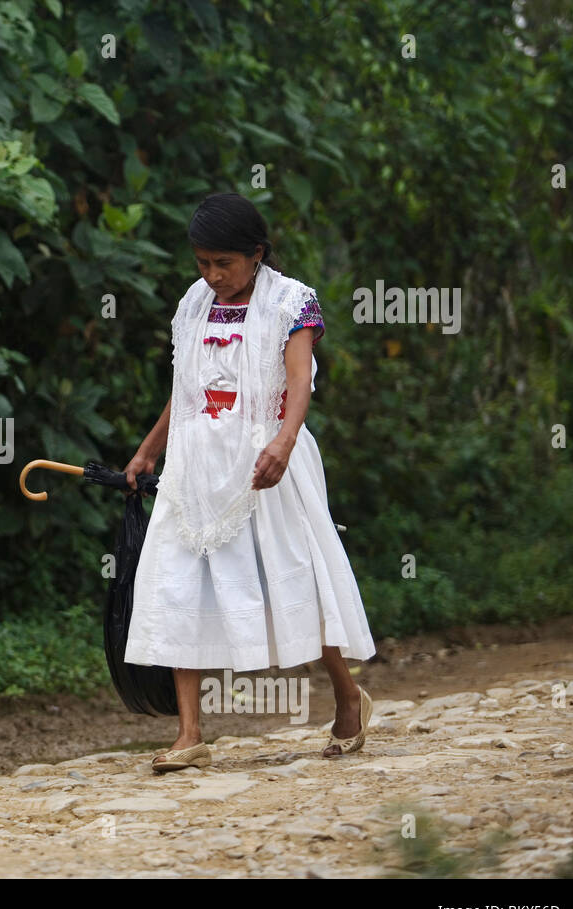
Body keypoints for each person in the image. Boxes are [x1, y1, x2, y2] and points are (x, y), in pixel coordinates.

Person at [122, 193, 376, 772]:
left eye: (223, 264)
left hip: (267, 463)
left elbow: (297, 381)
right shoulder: (194, 304)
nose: (212, 276)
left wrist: (283, 443)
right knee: (178, 583)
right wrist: (147, 450)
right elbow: (186, 390)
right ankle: (190, 733)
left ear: (256, 253)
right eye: (202, 263)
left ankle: (346, 697)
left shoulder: (293, 302)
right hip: (195, 465)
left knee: (299, 578)